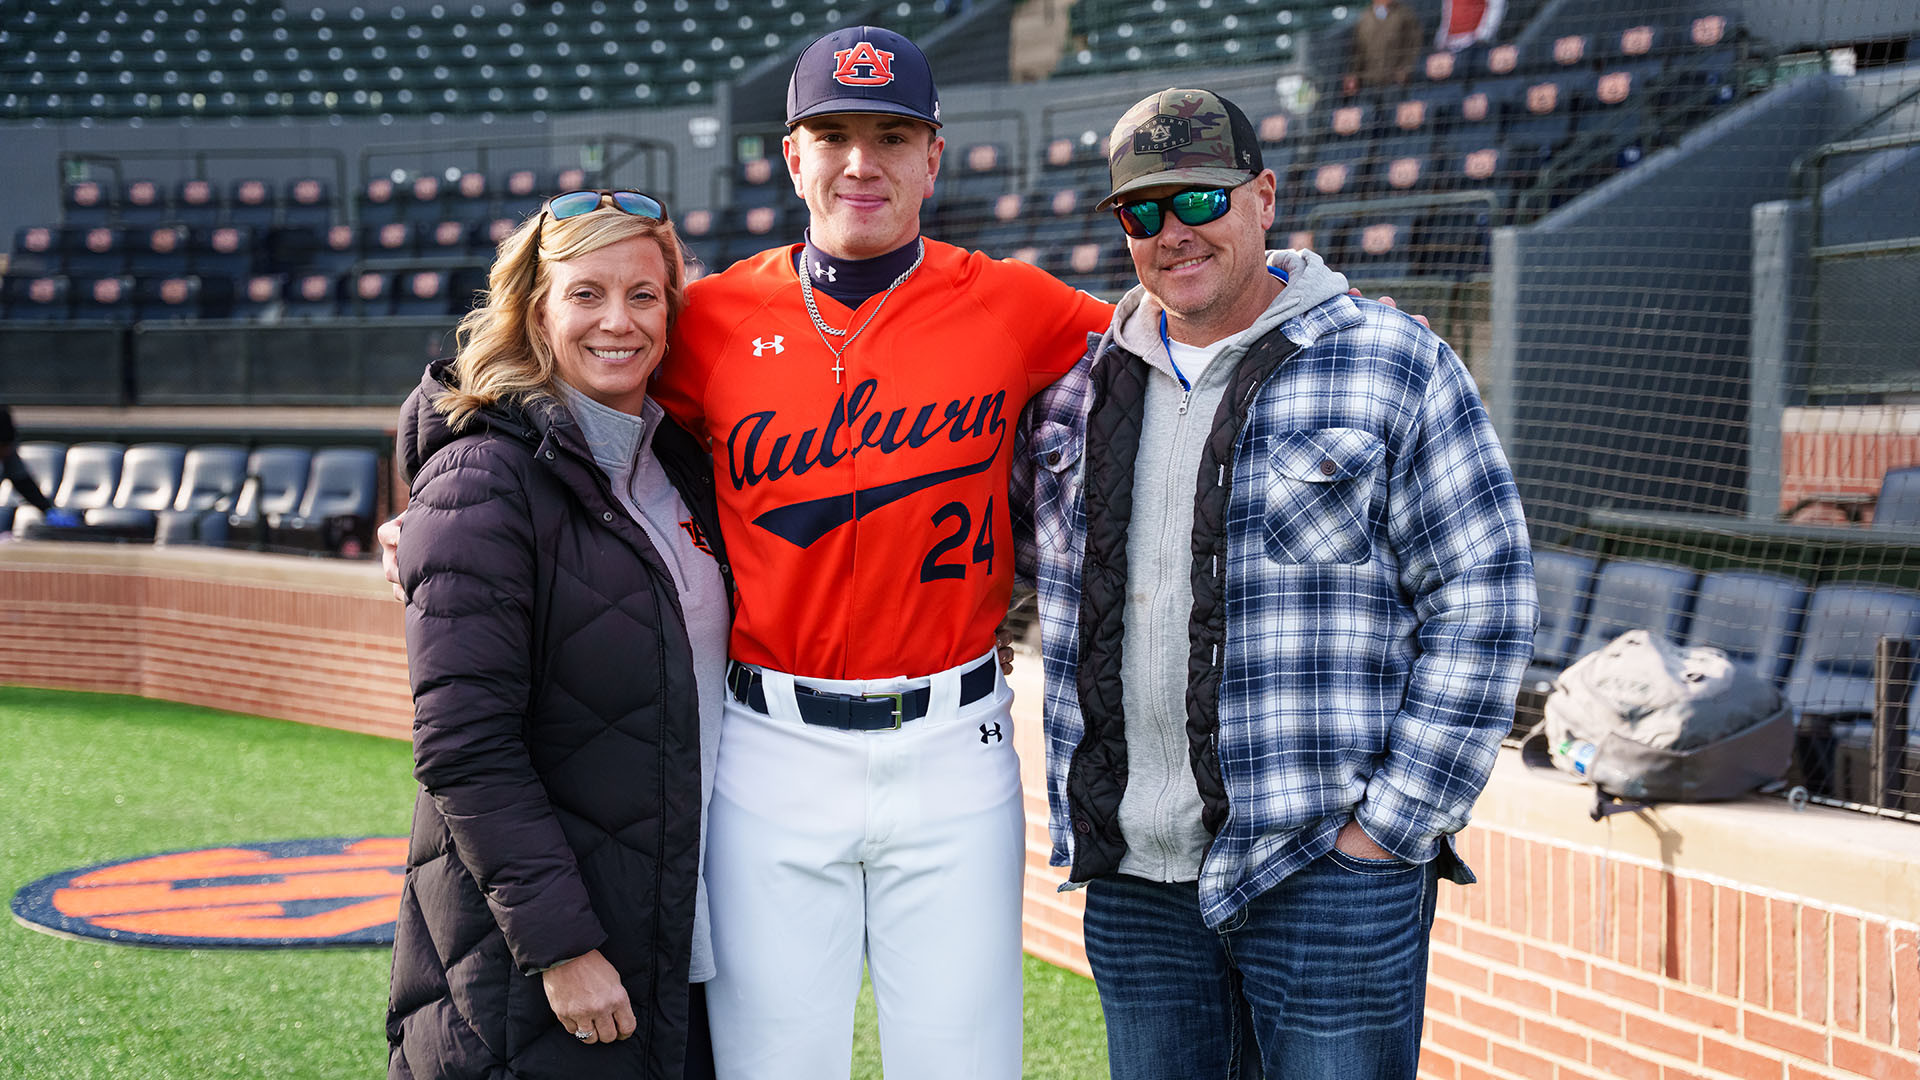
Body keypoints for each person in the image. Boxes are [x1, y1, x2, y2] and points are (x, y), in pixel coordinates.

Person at [1012, 88, 1538, 1079]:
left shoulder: (1391, 361)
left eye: (1201, 202)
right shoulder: (1076, 396)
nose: (1174, 233)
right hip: (1139, 876)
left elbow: (1486, 602)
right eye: (1143, 212)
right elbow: (1020, 580)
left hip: (1323, 869)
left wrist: (1390, 826)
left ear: (1263, 195)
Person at [648, 26, 1114, 1080]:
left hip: (960, 747)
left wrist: (1335, 315)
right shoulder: (711, 317)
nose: (863, 163)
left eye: (893, 135)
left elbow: (1187, 331)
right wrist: (438, 478)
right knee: (770, 1067)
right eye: (836, 134)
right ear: (792, 154)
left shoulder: (1015, 304)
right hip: (772, 750)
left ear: (934, 156)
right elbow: (552, 377)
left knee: (965, 1066)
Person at [385, 190, 730, 1080]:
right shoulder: (479, 480)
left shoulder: (680, 463)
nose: (619, 321)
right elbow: (466, 748)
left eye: (644, 295)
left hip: (672, 941)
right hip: (539, 967)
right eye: (587, 294)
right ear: (536, 310)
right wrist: (562, 950)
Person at [0, 407, 80, 530]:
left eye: (7, 446)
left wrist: (48, 510)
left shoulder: (8, 453)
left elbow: (23, 482)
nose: (6, 451)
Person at [1344, 0, 1424, 97]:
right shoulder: (1364, 17)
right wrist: (1354, 74)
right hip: (1368, 82)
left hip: (1395, 82)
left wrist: (1406, 69)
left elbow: (1414, 45)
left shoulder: (1404, 14)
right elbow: (1357, 51)